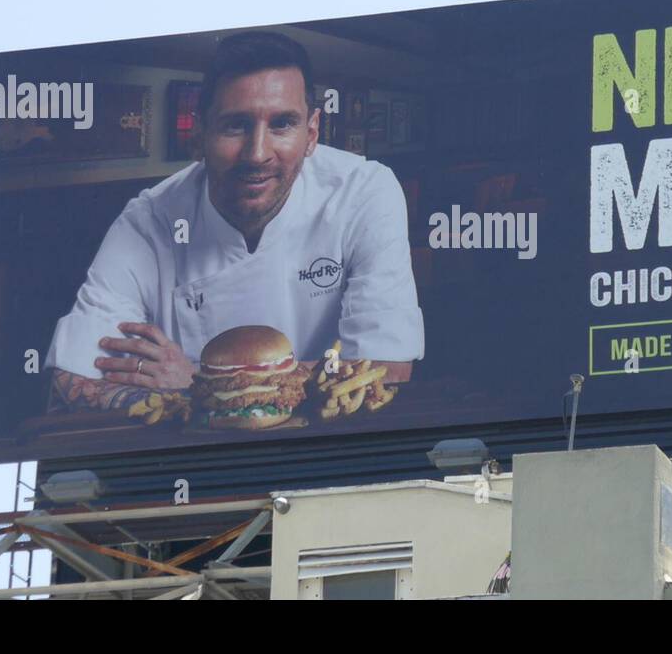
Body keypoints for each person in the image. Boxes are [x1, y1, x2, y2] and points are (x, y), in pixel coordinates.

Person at [45, 31, 424, 413]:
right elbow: (73, 377)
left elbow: (388, 366)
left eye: (282, 124)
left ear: (311, 134)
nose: (257, 154)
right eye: (235, 125)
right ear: (200, 134)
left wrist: (197, 383)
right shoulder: (148, 221)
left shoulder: (363, 192)